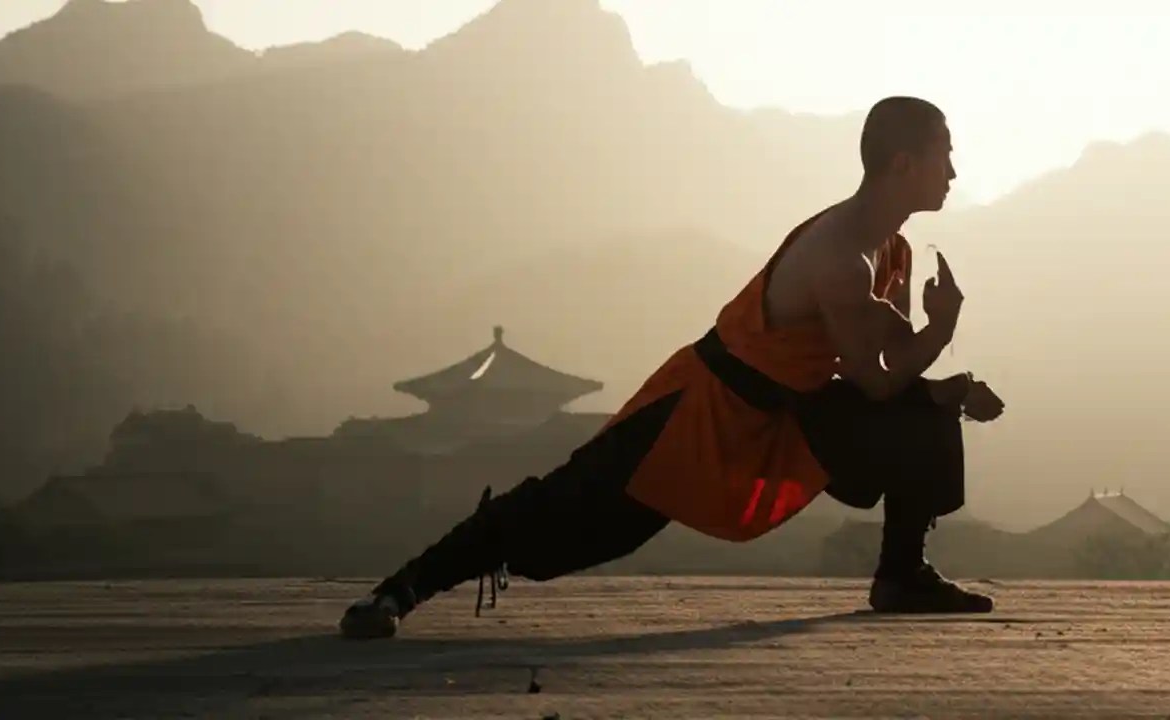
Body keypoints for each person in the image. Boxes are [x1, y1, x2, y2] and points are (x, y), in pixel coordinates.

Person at [340, 96, 1006, 640]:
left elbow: (888, 370)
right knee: (568, 523)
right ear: (903, 164)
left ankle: (902, 574)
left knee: (928, 408)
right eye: (945, 155)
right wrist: (941, 330)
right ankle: (399, 591)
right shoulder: (841, 255)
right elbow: (878, 380)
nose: (953, 172)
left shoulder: (891, 250)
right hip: (700, 411)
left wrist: (944, 379)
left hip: (784, 415)